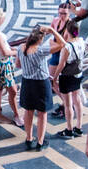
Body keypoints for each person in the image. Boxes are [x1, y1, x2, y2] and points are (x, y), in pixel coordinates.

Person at [19, 23, 66, 151]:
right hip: (41, 84)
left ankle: (29, 138)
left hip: (27, 83)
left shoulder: (21, 47)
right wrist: (52, 30)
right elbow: (63, 44)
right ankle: (40, 142)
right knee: (42, 113)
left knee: (28, 111)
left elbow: (18, 65)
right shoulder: (40, 50)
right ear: (40, 40)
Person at [51, 20, 87, 139]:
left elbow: (61, 65)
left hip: (67, 76)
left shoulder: (67, 47)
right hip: (78, 73)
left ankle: (69, 129)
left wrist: (55, 77)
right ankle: (79, 127)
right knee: (77, 100)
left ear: (67, 31)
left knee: (68, 104)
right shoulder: (81, 41)